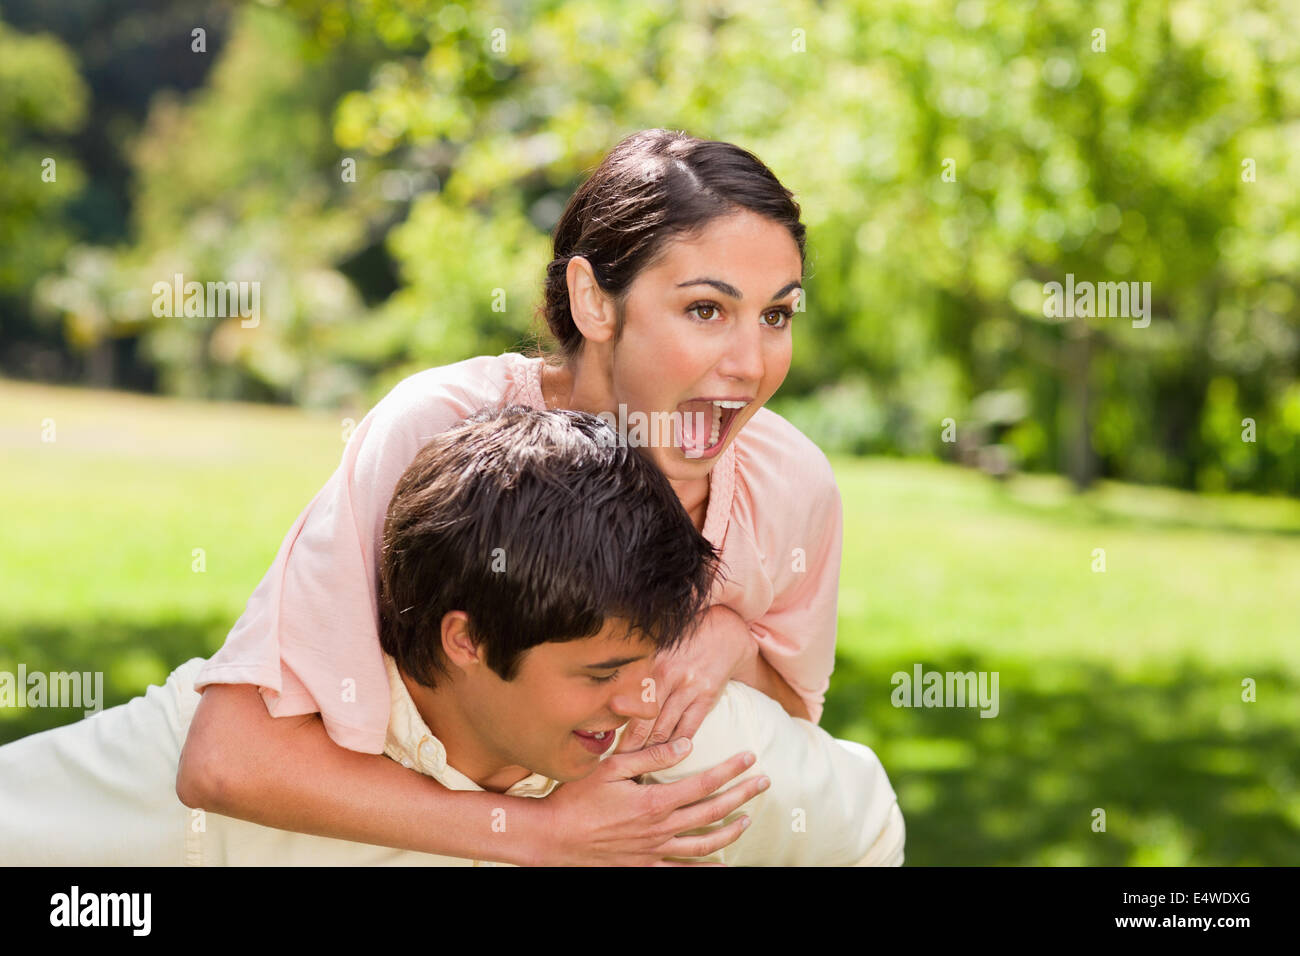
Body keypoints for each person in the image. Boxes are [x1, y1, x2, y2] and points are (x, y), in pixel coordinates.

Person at [173, 128, 905, 865]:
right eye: (706, 310)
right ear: (594, 301)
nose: (750, 365)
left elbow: (783, 735)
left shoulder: (789, 488)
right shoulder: (441, 431)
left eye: (777, 315)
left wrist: (731, 640)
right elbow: (228, 756)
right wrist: (540, 836)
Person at [0, 407, 898, 866]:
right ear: (466, 640)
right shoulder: (229, 764)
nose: (642, 699)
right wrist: (535, 832)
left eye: (651, 658)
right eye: (602, 673)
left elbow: (861, 830)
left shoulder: (681, 750)